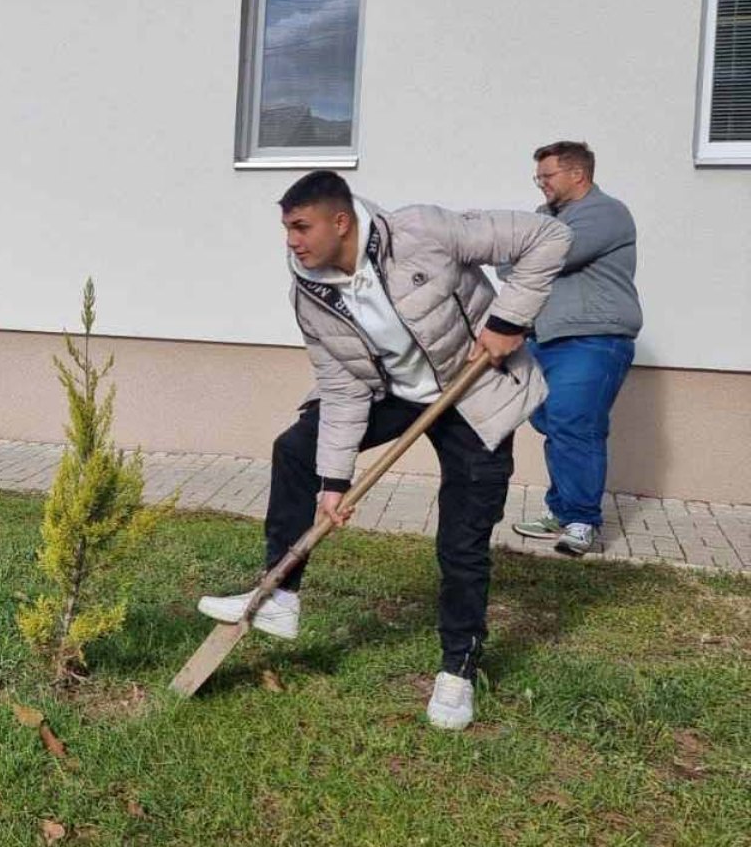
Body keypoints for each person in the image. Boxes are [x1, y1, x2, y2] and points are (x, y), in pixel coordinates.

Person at [195, 171, 569, 731]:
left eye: (301, 227)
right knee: (296, 450)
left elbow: (547, 237)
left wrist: (508, 319)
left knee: (462, 541)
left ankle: (458, 670)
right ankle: (280, 596)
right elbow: (342, 388)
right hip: (396, 394)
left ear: (341, 221)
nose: (292, 241)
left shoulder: (423, 232)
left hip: (474, 389)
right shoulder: (310, 295)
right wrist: (334, 482)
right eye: (287, 229)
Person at [511, 141, 642, 557]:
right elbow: (508, 263)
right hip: (544, 338)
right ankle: (561, 510)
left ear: (577, 174)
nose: (540, 184)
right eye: (537, 176)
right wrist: (523, 256)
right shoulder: (545, 215)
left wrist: (525, 254)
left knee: (575, 424)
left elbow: (556, 256)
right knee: (553, 425)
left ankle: (583, 521)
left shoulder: (606, 212)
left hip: (592, 338)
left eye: (547, 176)